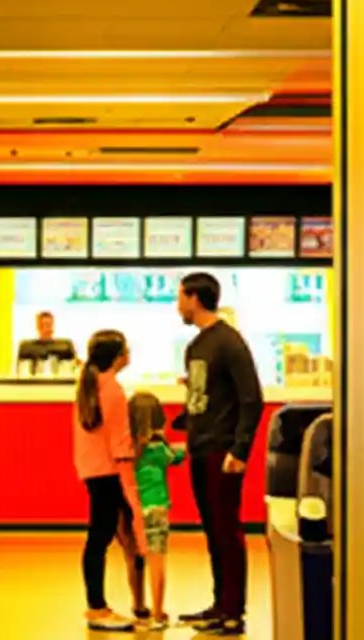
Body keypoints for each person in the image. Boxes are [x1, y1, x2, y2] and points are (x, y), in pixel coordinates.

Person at [174, 272, 264, 637]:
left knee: (227, 529)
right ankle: (219, 603)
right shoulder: (196, 347)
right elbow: (205, 399)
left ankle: (233, 612)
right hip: (200, 446)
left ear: (195, 297)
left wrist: (240, 448)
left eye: (180, 297)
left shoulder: (229, 342)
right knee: (212, 529)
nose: (178, 304)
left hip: (223, 449)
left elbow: (250, 398)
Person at [72, 330, 144, 631]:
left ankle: (98, 604)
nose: (129, 354)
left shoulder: (87, 386)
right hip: (109, 471)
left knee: (99, 537)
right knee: (100, 537)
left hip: (91, 469)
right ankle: (97, 607)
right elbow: (120, 441)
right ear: (118, 357)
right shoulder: (113, 389)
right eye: (126, 350)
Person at [127, 392, 188, 630]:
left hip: (134, 507)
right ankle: (158, 609)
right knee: (157, 558)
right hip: (157, 507)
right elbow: (177, 456)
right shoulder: (159, 449)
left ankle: (138, 603)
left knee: (134, 557)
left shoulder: (128, 449)